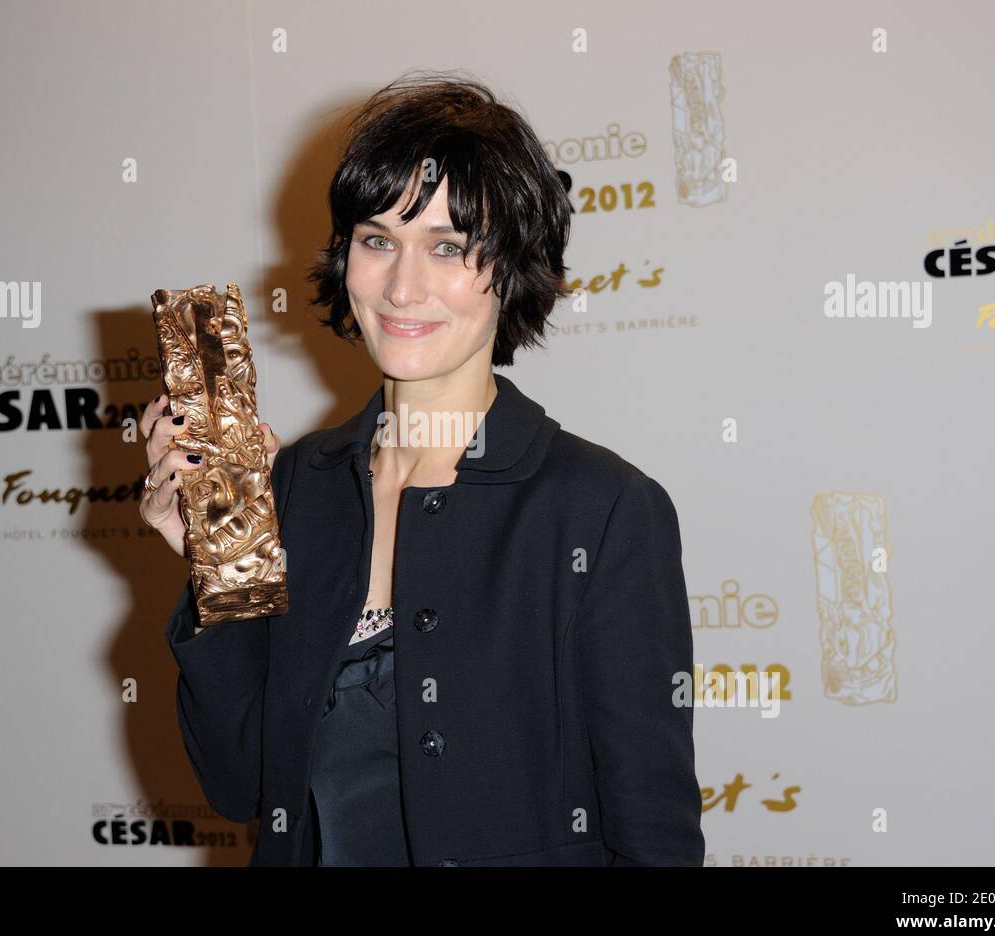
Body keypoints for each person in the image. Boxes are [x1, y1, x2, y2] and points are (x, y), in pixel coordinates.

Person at [139, 71, 704, 867]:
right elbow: (244, 787)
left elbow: (655, 837)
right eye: (377, 241)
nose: (403, 287)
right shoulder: (298, 482)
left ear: (511, 269)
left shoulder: (600, 509)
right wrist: (218, 568)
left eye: (448, 247)